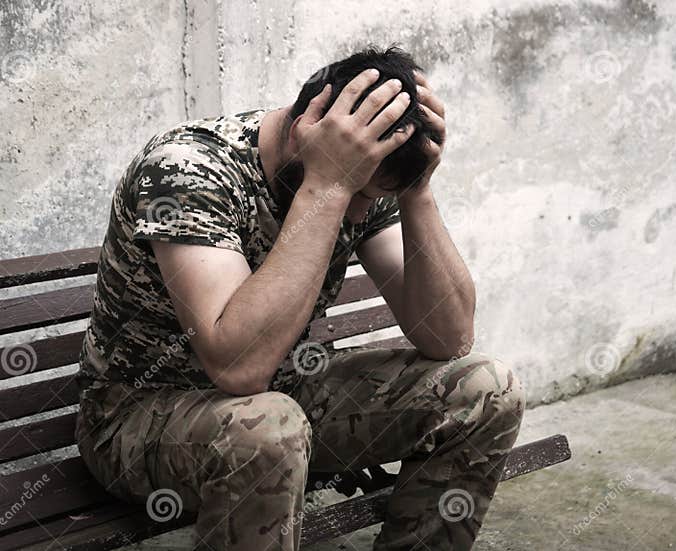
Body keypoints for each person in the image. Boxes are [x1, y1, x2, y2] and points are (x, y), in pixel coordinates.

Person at [74, 45, 526, 551]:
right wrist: (329, 186)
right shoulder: (187, 170)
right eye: (359, 195)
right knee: (268, 428)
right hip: (139, 418)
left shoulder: (359, 174)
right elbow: (240, 369)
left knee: (487, 389)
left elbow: (449, 337)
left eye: (372, 197)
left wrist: (416, 189)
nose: (360, 215)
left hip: (286, 395)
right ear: (301, 135)